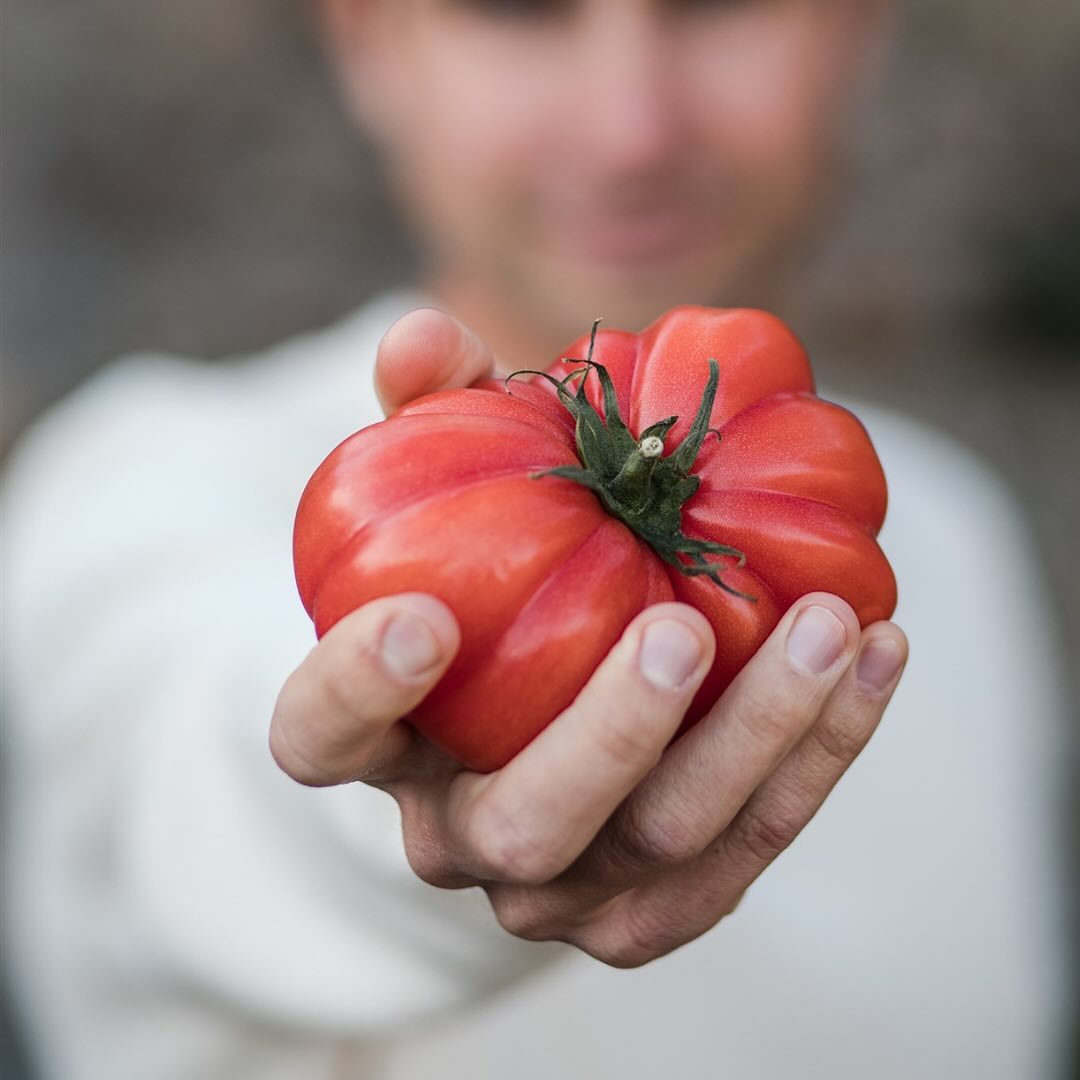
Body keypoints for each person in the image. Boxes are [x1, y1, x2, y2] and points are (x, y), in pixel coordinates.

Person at [0, 2, 1069, 1078]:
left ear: (856, 28)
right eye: (518, 11)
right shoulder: (137, 482)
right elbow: (201, 779)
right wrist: (415, 800)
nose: (632, 132)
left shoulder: (953, 529)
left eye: (716, 6)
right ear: (372, 45)